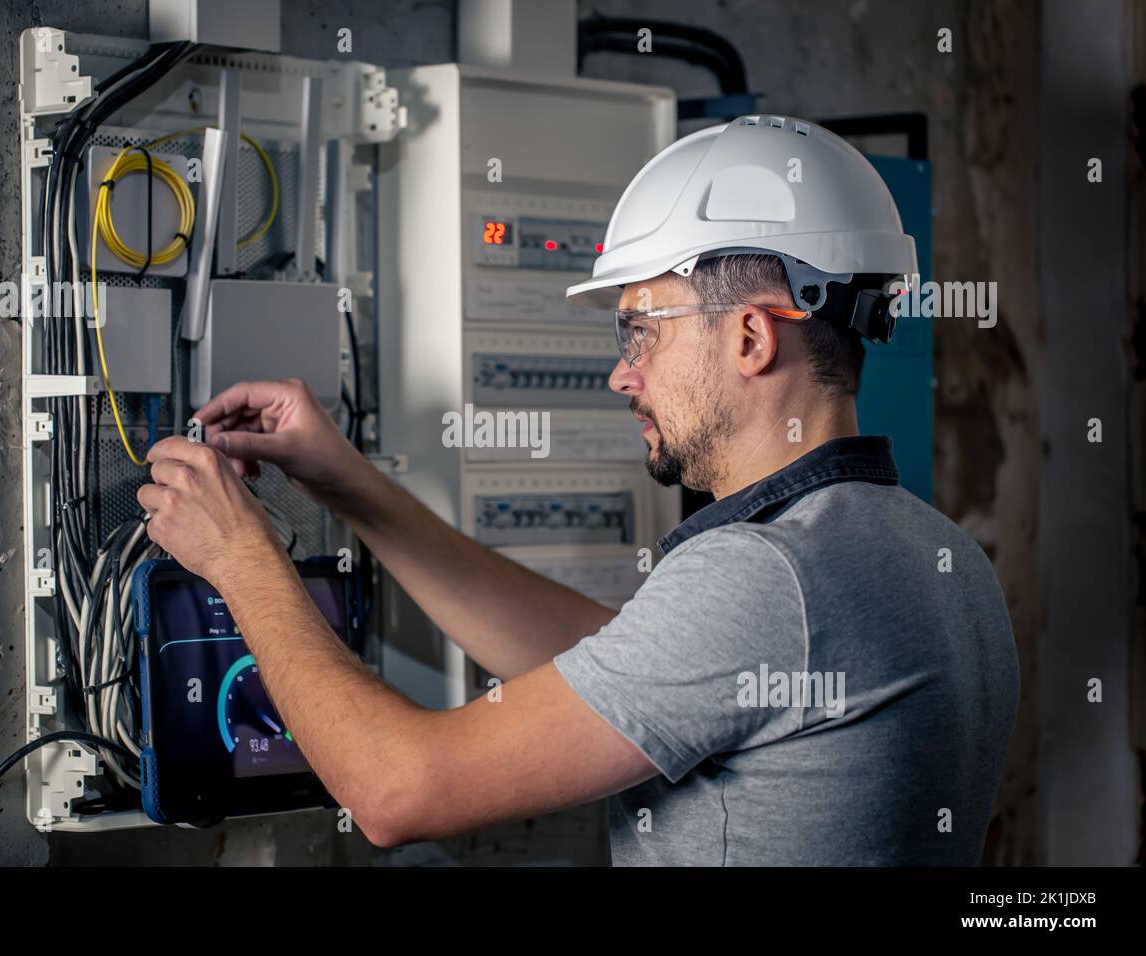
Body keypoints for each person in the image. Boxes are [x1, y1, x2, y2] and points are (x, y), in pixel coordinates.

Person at [138, 116, 1019, 865]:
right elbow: (623, 664)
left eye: (642, 332)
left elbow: (396, 791)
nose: (621, 375)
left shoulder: (766, 580)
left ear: (751, 336)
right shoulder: (925, 552)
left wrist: (239, 556)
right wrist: (355, 490)